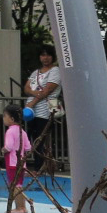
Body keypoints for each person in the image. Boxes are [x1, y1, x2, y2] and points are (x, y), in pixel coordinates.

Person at [22, 45, 62, 173]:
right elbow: (26, 88)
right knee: (32, 137)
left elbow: (48, 89)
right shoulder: (36, 72)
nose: (45, 58)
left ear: (53, 57)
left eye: (48, 55)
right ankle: (38, 165)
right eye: (43, 55)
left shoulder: (55, 71)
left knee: (41, 138)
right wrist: (35, 95)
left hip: (44, 109)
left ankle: (39, 168)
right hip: (31, 111)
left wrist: (32, 102)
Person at [3, 102, 32, 213]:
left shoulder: (10, 131)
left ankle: (20, 207)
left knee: (14, 184)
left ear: (11, 118)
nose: (4, 119)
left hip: (12, 162)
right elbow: (28, 147)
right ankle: (22, 206)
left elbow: (9, 147)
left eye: (5, 116)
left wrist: (3, 149)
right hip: (21, 162)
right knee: (19, 184)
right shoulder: (22, 131)